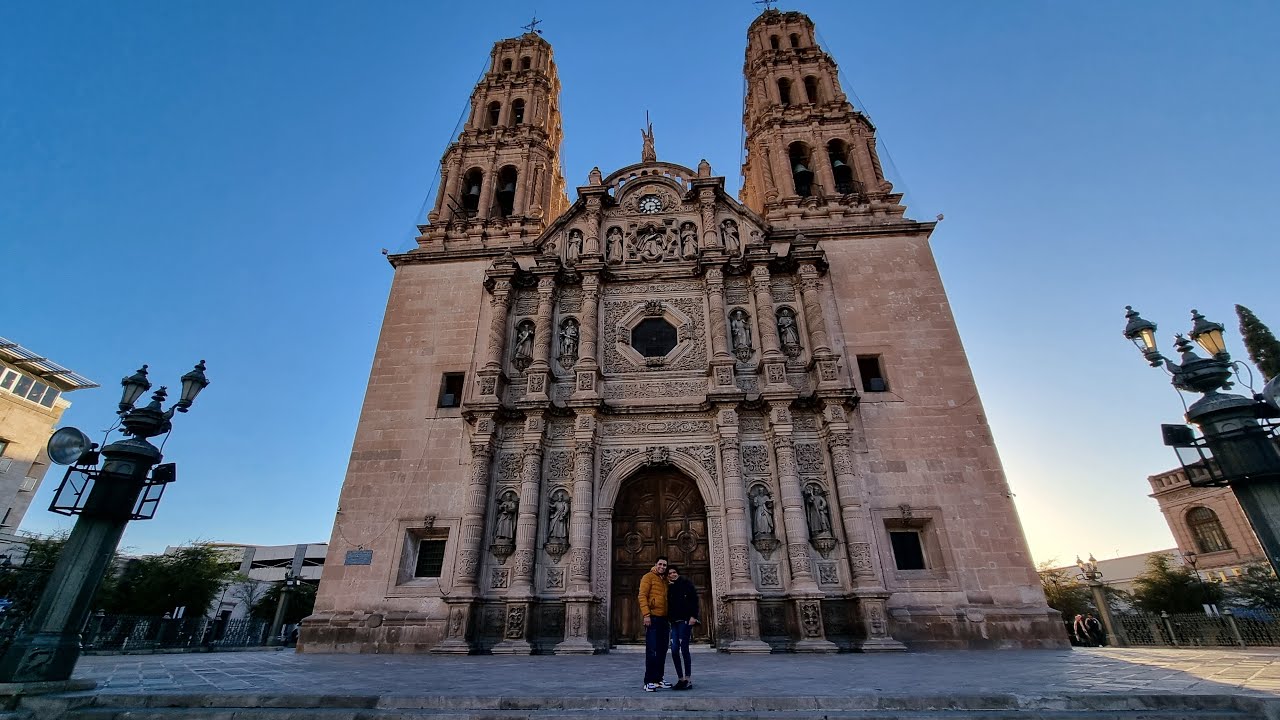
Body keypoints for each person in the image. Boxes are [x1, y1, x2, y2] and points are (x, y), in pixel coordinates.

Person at [637, 557, 671, 692]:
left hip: (664, 619)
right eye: (660, 564)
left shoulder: (665, 580)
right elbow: (642, 596)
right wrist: (646, 615)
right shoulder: (648, 577)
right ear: (655, 565)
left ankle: (658, 679)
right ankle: (648, 681)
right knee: (652, 650)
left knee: (662, 650)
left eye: (664, 565)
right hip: (653, 618)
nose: (662, 566)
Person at [666, 565, 700, 690]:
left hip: (685, 621)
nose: (672, 574)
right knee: (674, 650)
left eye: (674, 572)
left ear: (678, 573)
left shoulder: (686, 584)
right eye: (670, 573)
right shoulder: (668, 587)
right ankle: (680, 679)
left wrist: (694, 616)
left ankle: (688, 679)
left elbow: (694, 600)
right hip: (674, 622)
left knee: (684, 649)